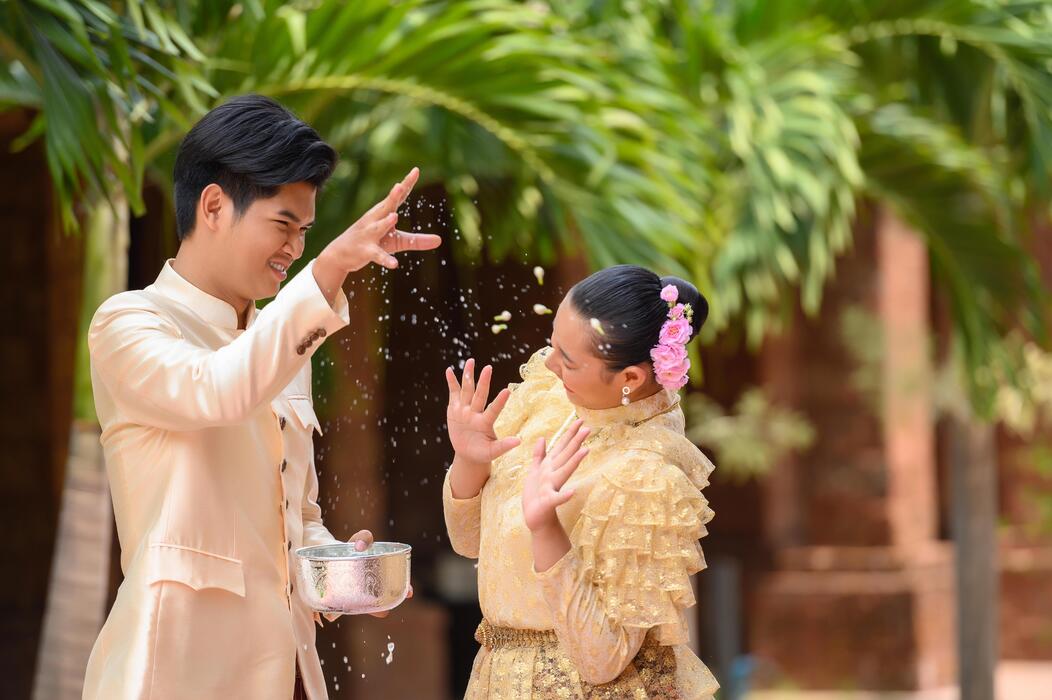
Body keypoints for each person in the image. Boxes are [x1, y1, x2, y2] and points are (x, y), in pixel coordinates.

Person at [82, 95, 439, 700]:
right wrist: (325, 276)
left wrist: (339, 571)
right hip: (175, 674)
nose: (295, 250)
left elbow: (292, 517)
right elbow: (216, 389)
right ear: (215, 206)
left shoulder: (277, 341)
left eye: (305, 233)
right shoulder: (128, 322)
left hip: (289, 672)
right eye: (282, 225)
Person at [443, 264, 720, 698]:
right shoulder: (550, 399)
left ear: (630, 378)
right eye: (553, 342)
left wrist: (545, 527)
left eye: (567, 360)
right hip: (496, 680)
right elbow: (471, 544)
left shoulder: (647, 475)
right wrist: (469, 461)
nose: (551, 364)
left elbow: (602, 659)